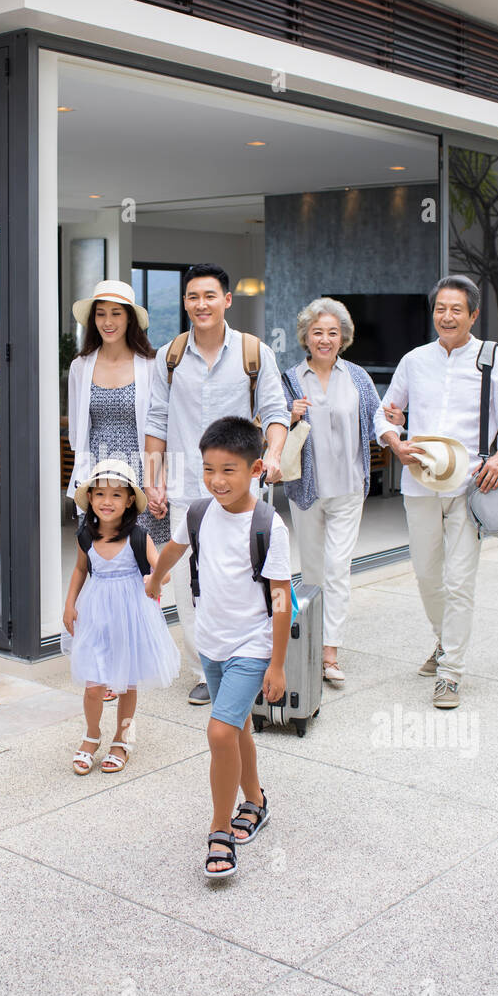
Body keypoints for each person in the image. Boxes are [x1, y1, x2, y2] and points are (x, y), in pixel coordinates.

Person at [146, 417, 292, 881]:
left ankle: (219, 829)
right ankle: (256, 800)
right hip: (210, 643)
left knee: (219, 733)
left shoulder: (269, 525)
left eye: (229, 470)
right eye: (209, 469)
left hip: (252, 645)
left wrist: (278, 665)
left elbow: (282, 600)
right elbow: (173, 549)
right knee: (238, 726)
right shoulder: (199, 513)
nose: (217, 480)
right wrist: (153, 579)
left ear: (254, 469)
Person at [376, 274, 498, 709]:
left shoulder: (492, 359)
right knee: (427, 575)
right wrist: (394, 440)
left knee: (459, 581)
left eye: (456, 309)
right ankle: (446, 641)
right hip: (421, 482)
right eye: (440, 308)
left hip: (472, 484)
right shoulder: (414, 360)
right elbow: (386, 414)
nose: (447, 316)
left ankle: (451, 673)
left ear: (473, 315)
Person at [144, 264, 289, 706]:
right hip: (189, 489)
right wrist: (154, 478)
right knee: (190, 583)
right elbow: (156, 419)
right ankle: (205, 667)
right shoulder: (168, 356)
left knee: (244, 578)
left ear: (227, 300)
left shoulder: (254, 352)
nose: (200, 304)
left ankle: (252, 658)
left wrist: (276, 455)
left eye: (209, 296)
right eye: (192, 297)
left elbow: (276, 411)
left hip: (243, 491)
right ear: (184, 302)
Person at [281, 297, 385, 686]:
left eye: (332, 333)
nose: (324, 339)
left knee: (338, 567)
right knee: (312, 569)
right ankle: (310, 643)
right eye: (317, 332)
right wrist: (287, 415)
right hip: (306, 489)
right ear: (305, 337)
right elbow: (269, 427)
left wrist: (399, 434)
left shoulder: (357, 377)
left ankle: (330, 653)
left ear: (343, 337)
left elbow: (379, 423)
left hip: (348, 487)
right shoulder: (289, 379)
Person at [62, 458, 179, 775]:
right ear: (90, 499)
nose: (107, 501)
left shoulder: (139, 538)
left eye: (116, 495)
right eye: (99, 494)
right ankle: (91, 734)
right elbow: (80, 569)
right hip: (97, 613)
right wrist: (70, 603)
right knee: (93, 684)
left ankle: (122, 737)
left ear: (129, 501)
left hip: (130, 614)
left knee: (126, 682)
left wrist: (152, 580)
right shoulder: (86, 536)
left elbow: (162, 572)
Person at [67, 280, 168, 544]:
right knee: (102, 559)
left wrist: (158, 480)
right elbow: (77, 434)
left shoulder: (151, 364)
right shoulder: (80, 367)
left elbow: (163, 427)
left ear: (129, 319)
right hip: (99, 477)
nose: (107, 322)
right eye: (101, 314)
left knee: (145, 563)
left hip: (141, 475)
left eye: (116, 313)